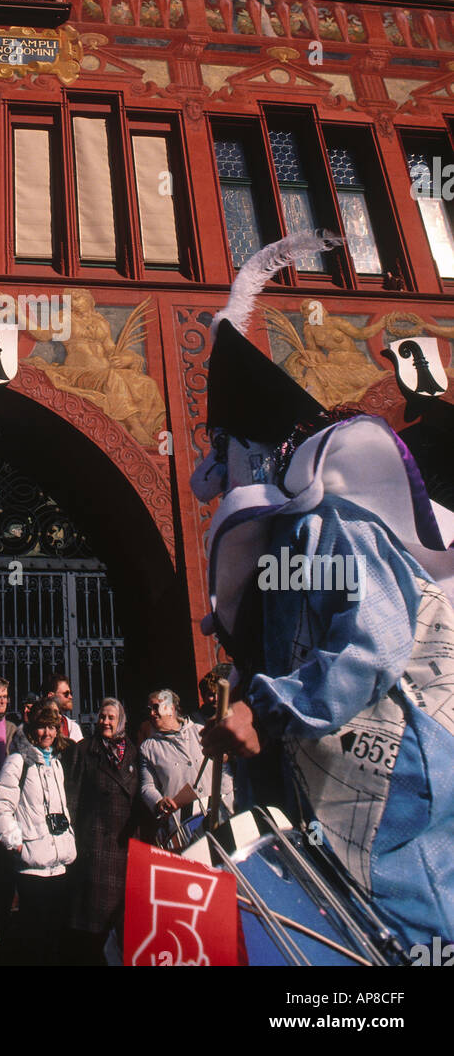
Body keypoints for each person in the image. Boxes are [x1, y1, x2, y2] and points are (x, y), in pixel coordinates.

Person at [194, 230, 454, 949]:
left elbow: (372, 645)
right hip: (343, 792)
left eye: (223, 452)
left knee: (404, 940)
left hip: (393, 785)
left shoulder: (328, 522)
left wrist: (265, 710)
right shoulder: (289, 541)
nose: (213, 477)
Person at [0, 699, 76, 965]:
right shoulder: (18, 761)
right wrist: (15, 843)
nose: (47, 733)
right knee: (34, 940)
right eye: (41, 727)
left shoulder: (56, 763)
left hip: (59, 865)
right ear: (31, 728)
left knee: (55, 938)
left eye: (51, 727)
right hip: (32, 867)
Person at [70, 698, 140, 963]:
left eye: (111, 717)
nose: (106, 722)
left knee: (120, 920)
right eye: (102, 717)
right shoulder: (84, 750)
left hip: (123, 845)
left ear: (121, 720)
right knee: (91, 923)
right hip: (94, 845)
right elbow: (73, 798)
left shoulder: (133, 752)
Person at [140, 689, 232, 845]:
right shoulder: (148, 748)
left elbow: (223, 768)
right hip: (184, 824)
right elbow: (147, 786)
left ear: (172, 708)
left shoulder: (200, 731)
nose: (152, 713)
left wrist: (227, 801)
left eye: (156, 707)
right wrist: (158, 802)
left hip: (219, 814)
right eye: (149, 709)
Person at [40, 671, 84, 741]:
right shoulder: (37, 726)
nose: (70, 697)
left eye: (70, 693)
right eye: (66, 694)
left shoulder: (73, 727)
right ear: (51, 696)